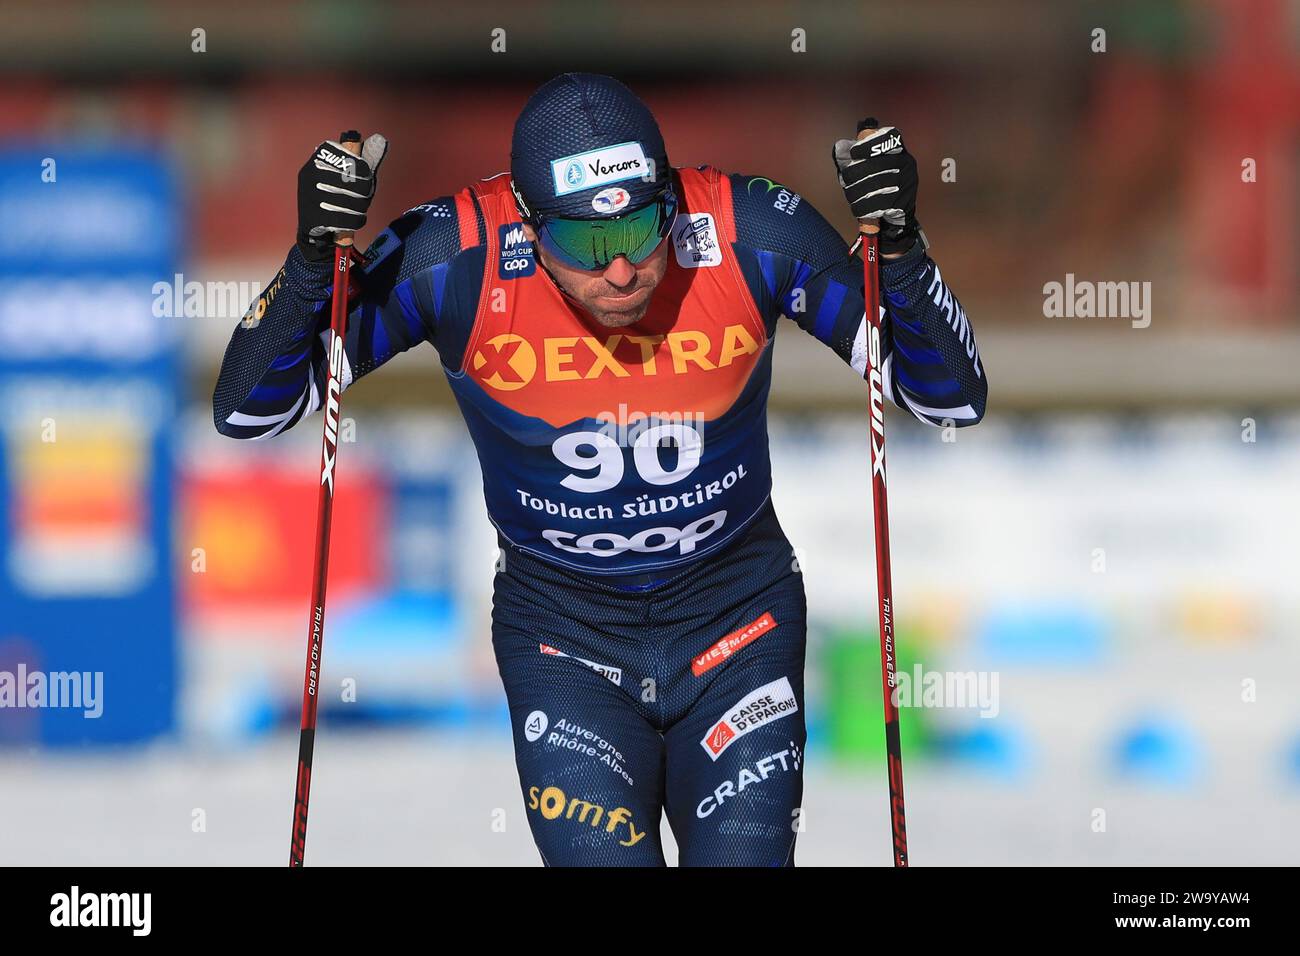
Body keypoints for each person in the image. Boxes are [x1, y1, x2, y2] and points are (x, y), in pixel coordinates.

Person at [214, 72, 986, 866]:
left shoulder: (747, 228)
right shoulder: (457, 255)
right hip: (564, 642)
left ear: (669, 200)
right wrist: (314, 262)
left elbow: (949, 401)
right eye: (584, 243)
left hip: (739, 628)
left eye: (641, 230)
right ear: (528, 219)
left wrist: (898, 251)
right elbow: (250, 410)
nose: (620, 271)